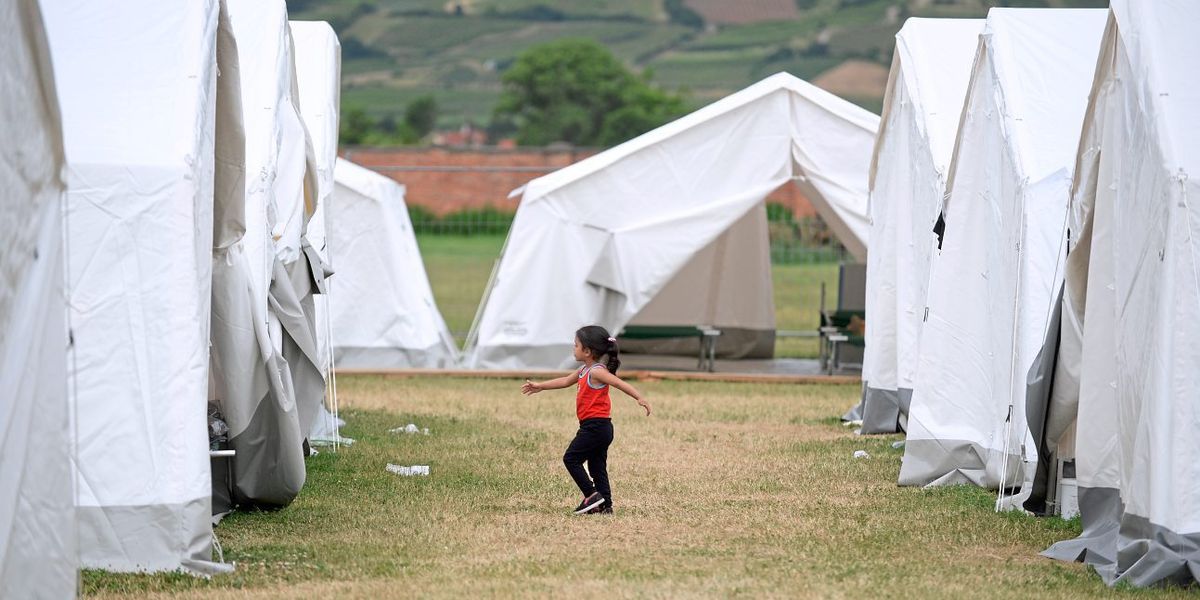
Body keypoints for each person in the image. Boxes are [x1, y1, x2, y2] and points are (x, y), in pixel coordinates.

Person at [521, 325, 651, 515]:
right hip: (597, 428)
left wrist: (639, 397)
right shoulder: (584, 370)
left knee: (571, 458)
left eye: (576, 345)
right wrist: (540, 386)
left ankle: (591, 495)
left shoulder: (597, 372)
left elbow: (618, 383)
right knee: (597, 467)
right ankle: (605, 505)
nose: (573, 349)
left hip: (596, 427)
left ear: (588, 351)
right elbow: (565, 381)